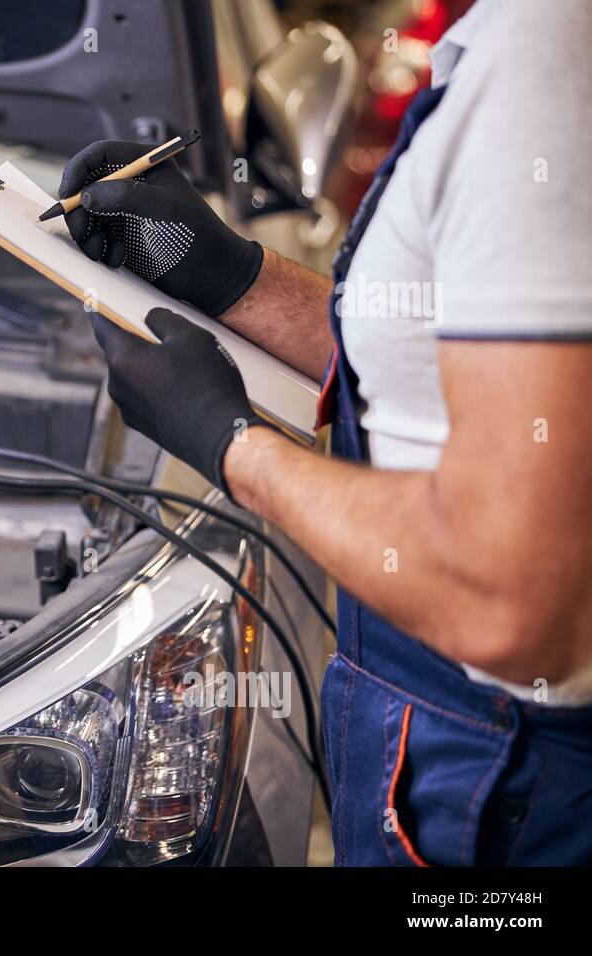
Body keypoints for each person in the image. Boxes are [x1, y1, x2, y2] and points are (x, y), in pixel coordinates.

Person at [63, 0, 592, 865]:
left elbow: (511, 600)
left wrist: (232, 442)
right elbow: (442, 360)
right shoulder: (521, 42)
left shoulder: (544, 68)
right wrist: (232, 276)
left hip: (506, 782)